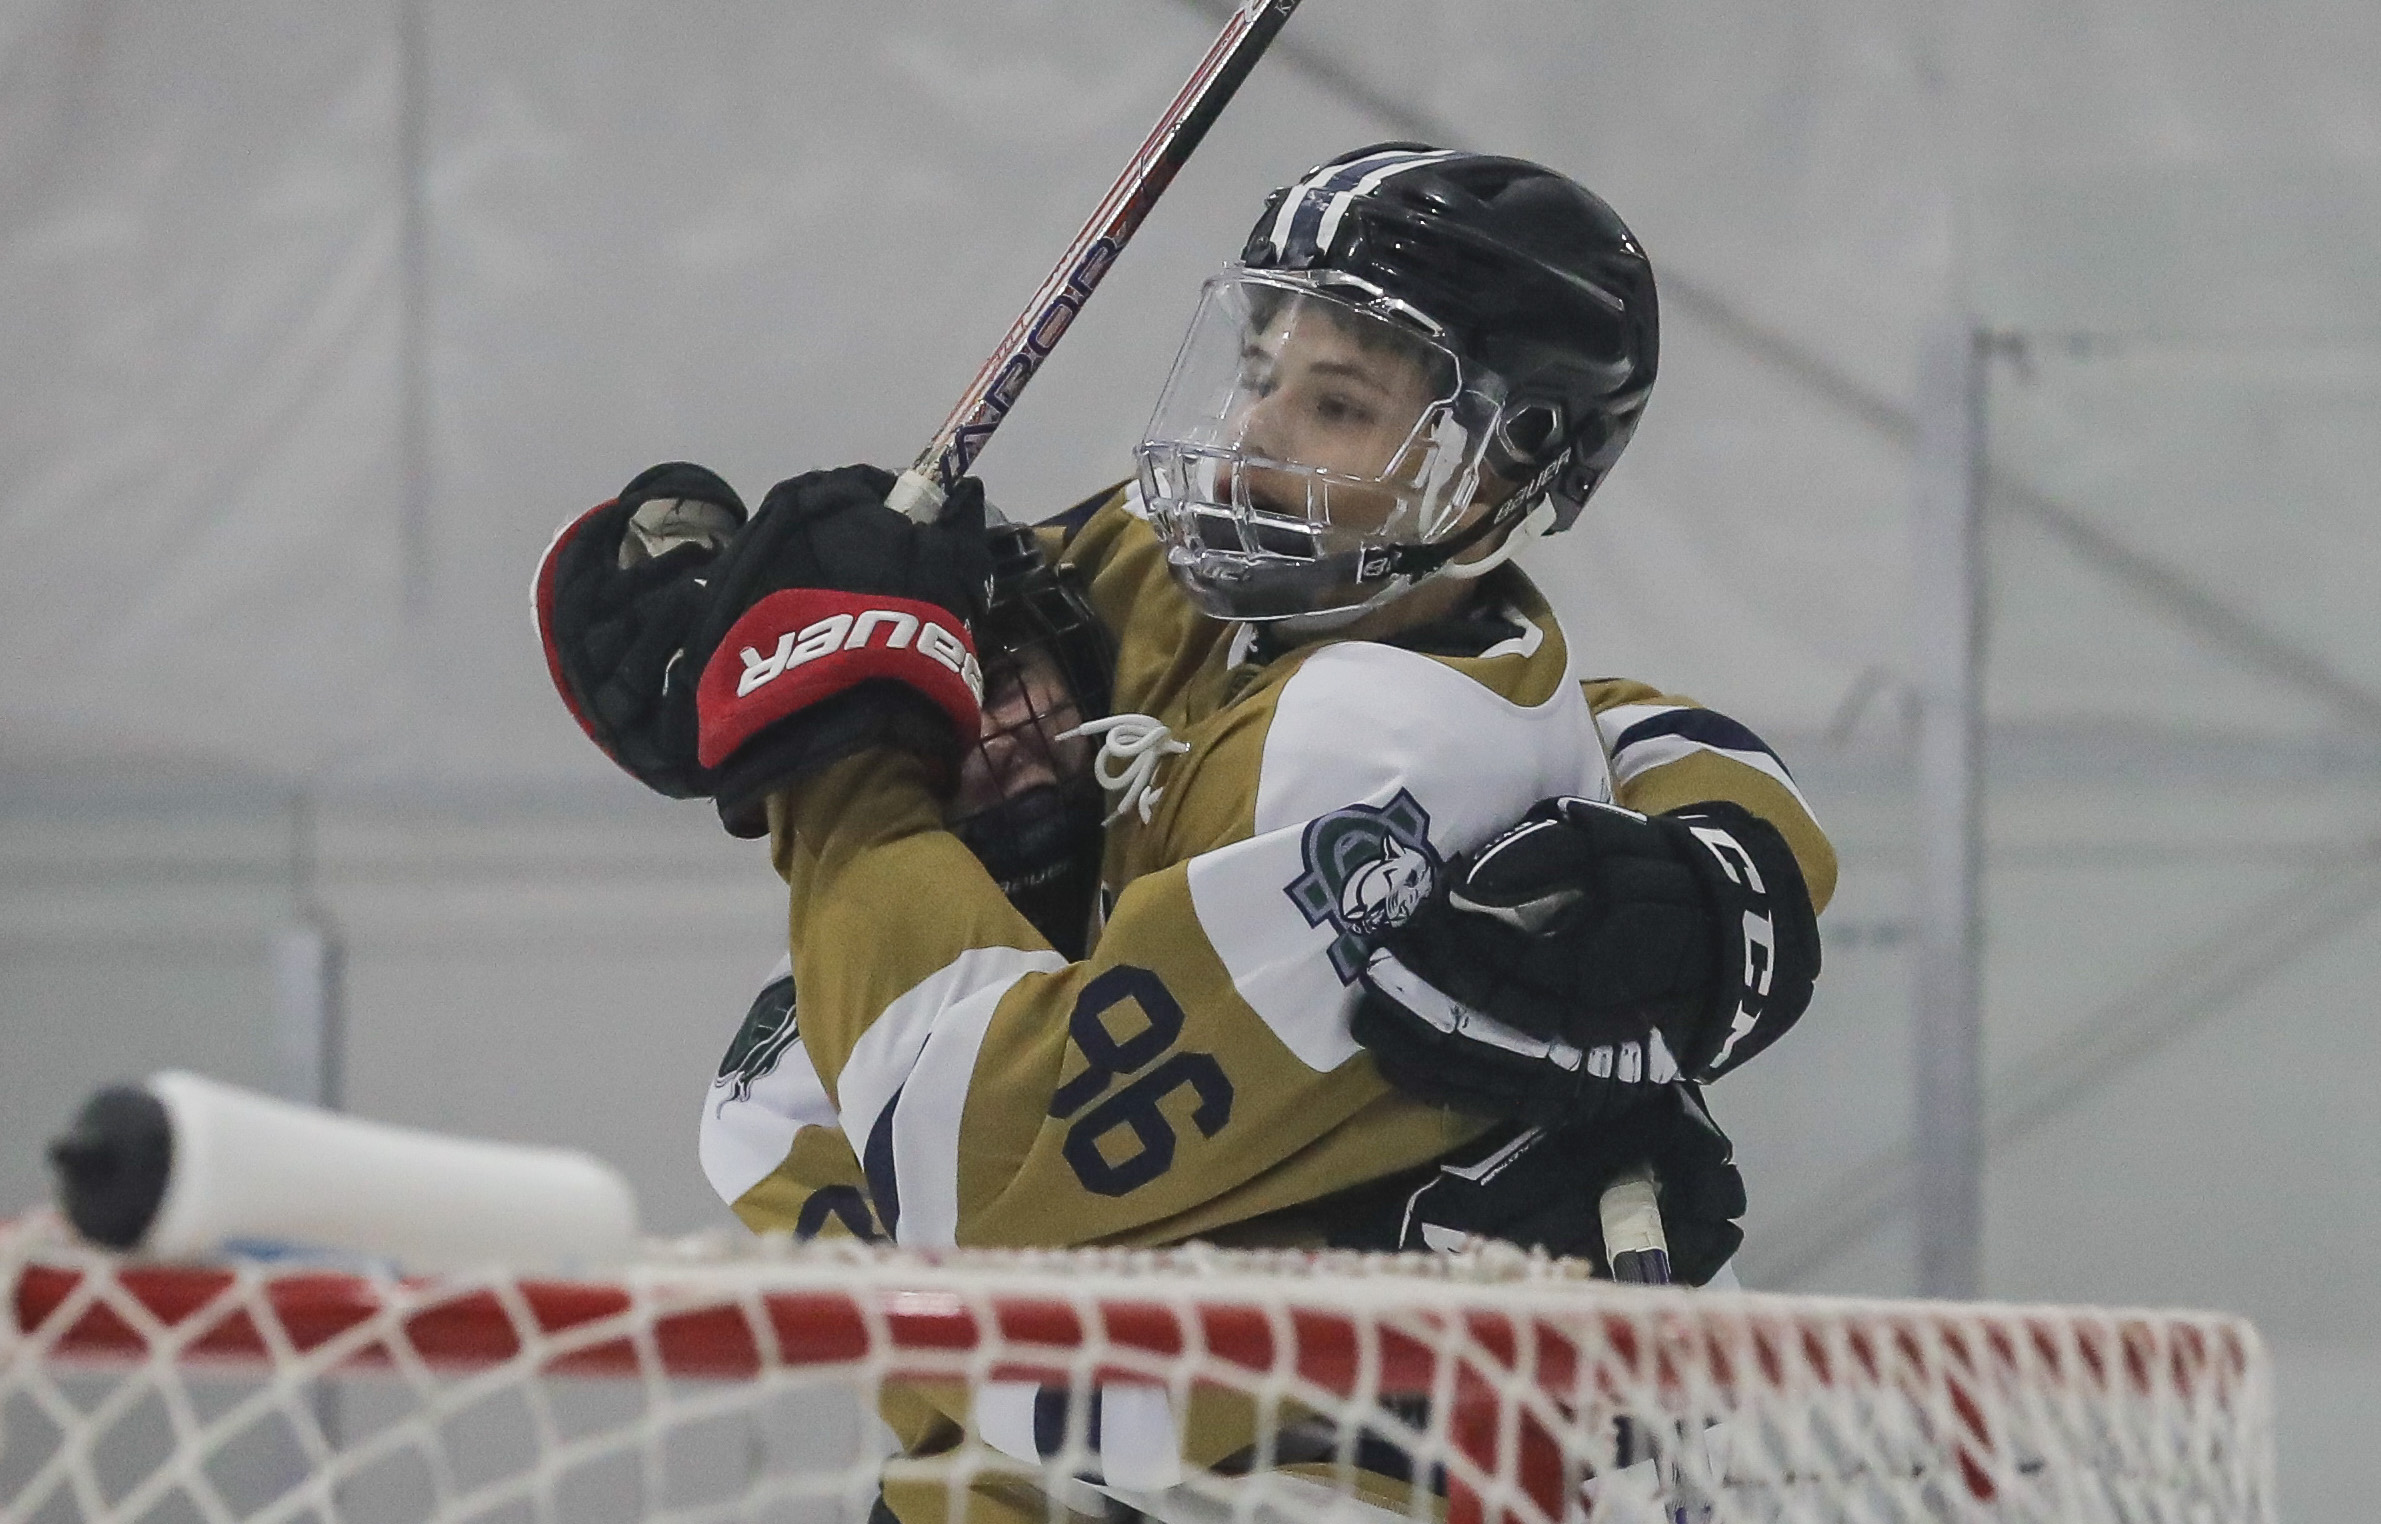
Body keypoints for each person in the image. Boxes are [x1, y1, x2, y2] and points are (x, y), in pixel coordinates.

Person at [537, 144, 1832, 1519]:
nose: (1260, 432)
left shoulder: (1370, 747)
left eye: (1337, 405)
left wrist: (828, 765)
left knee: (790, 1098)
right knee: (786, 1092)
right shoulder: (1227, 577)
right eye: (1259, 369)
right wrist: (756, 625)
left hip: (1408, 1479)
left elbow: (969, 1174)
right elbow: (1012, 614)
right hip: (1143, 1457)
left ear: (1503, 474)